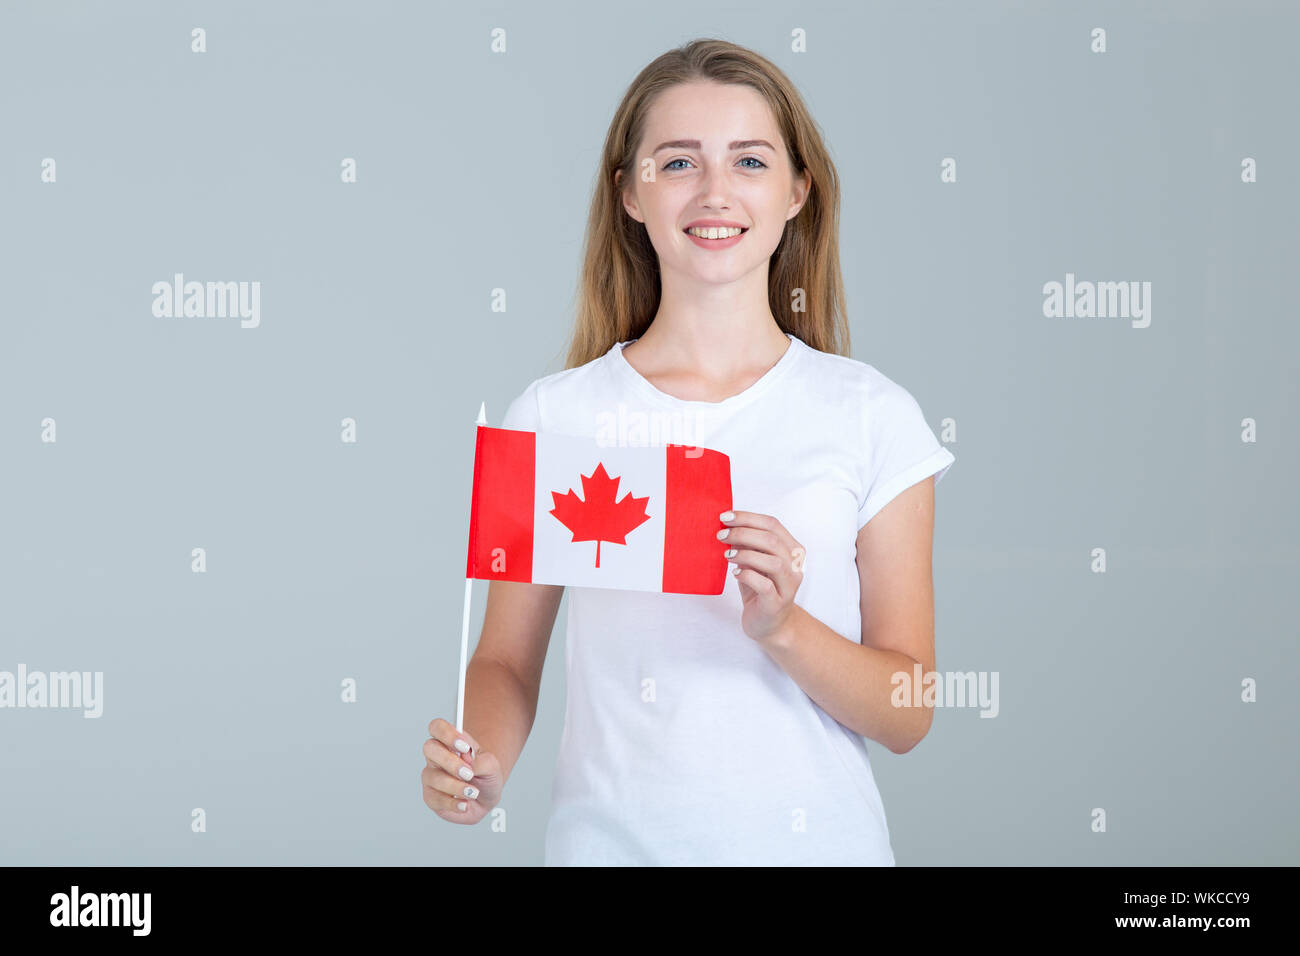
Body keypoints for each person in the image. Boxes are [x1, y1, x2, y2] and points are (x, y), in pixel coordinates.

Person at [422, 38, 954, 865]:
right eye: (676, 163)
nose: (714, 192)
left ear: (797, 190)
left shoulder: (872, 416)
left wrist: (783, 628)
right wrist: (482, 760)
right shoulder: (552, 419)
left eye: (749, 160)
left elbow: (909, 709)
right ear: (629, 193)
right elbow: (502, 662)